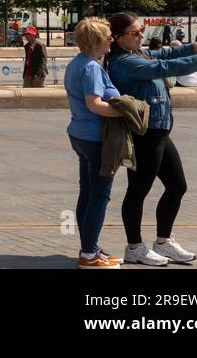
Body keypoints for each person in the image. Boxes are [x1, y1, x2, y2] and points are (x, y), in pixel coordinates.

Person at [105, 11, 197, 266]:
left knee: (177, 186)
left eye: (141, 31)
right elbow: (163, 67)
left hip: (160, 130)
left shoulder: (140, 52)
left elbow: (169, 54)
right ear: (117, 38)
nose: (142, 35)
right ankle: (134, 247)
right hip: (144, 133)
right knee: (138, 190)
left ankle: (163, 241)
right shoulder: (123, 62)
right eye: (135, 33)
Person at [63, 17, 123, 269]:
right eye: (109, 36)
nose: (111, 40)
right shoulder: (91, 67)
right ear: (97, 40)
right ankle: (88, 253)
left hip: (79, 134)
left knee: (87, 193)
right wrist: (127, 111)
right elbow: (95, 104)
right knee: (99, 196)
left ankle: (90, 246)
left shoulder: (76, 63)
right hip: (95, 137)